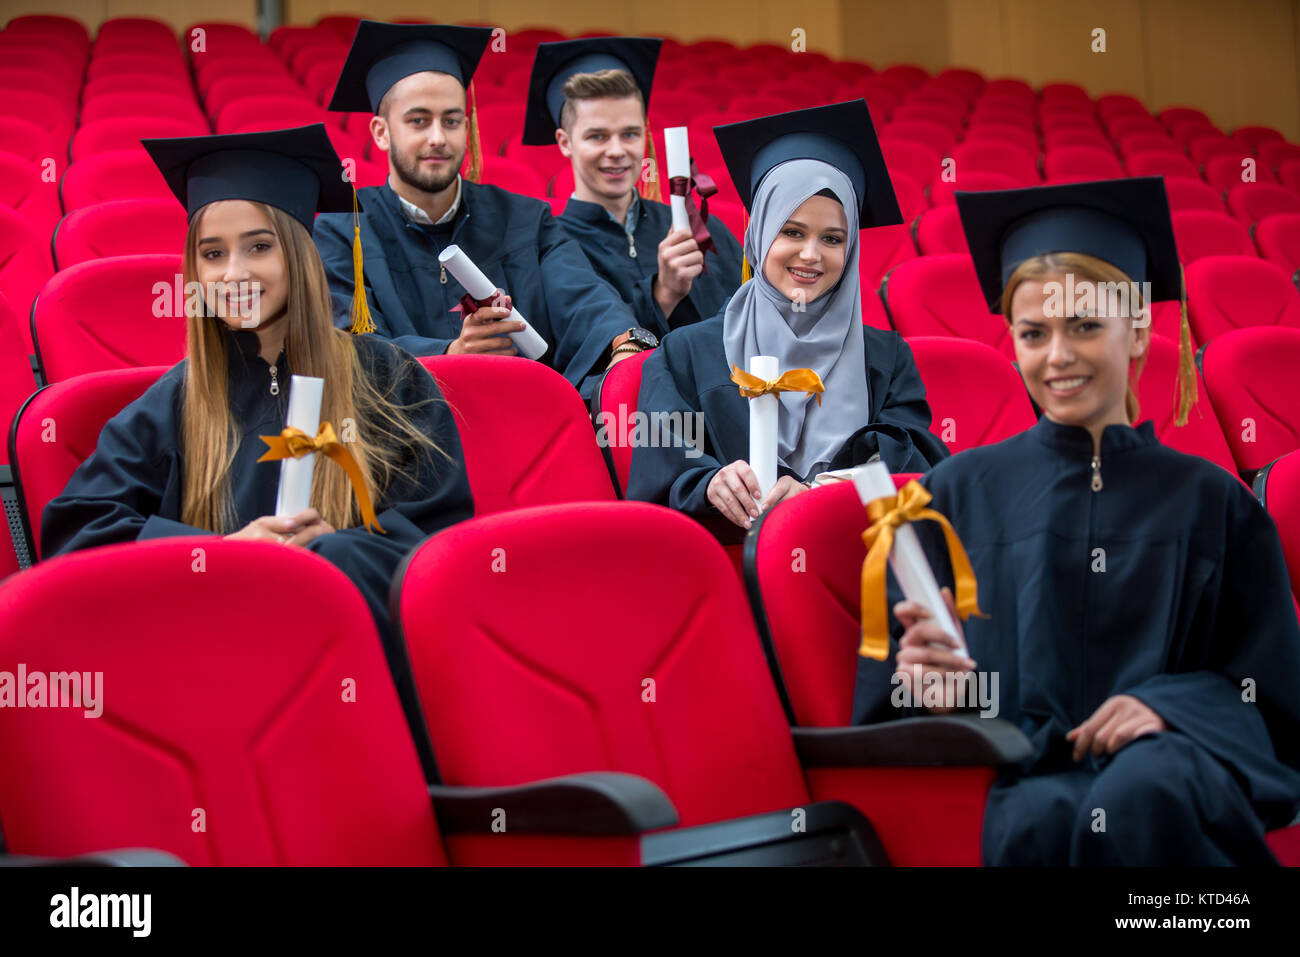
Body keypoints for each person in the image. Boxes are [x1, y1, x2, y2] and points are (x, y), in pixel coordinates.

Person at [852, 176, 1300, 865]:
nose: (1057, 356)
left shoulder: (1217, 504)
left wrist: (1174, 711)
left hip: (1172, 785)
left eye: (1085, 325)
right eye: (1034, 333)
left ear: (1140, 327)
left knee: (1145, 788)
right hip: (1023, 793)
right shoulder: (944, 500)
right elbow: (887, 716)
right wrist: (935, 689)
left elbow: (1271, 701)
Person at [41, 125, 474, 659]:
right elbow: (80, 535)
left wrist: (336, 554)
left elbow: (439, 544)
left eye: (259, 246)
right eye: (213, 254)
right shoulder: (172, 403)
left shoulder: (391, 379)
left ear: (300, 255)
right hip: (217, 661)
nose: (234, 272)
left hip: (362, 661)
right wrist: (220, 554)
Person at [625, 101, 948, 529]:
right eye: (792, 231)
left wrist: (824, 492)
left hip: (856, 562)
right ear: (759, 234)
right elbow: (659, 477)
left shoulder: (885, 359)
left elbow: (917, 473)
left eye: (832, 239)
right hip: (730, 575)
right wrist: (709, 485)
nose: (811, 255)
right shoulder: (687, 352)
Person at [312, 20, 643, 394]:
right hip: (406, 438)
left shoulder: (526, 221)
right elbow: (346, 347)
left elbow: (585, 297)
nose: (438, 137)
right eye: (418, 121)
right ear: (381, 132)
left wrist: (624, 344)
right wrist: (449, 354)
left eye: (451, 121)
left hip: (523, 422)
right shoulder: (343, 231)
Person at [523, 36, 743, 338]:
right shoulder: (549, 247)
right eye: (597, 136)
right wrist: (663, 293)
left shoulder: (702, 231)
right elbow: (576, 353)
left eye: (629, 134)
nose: (616, 150)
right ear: (564, 142)